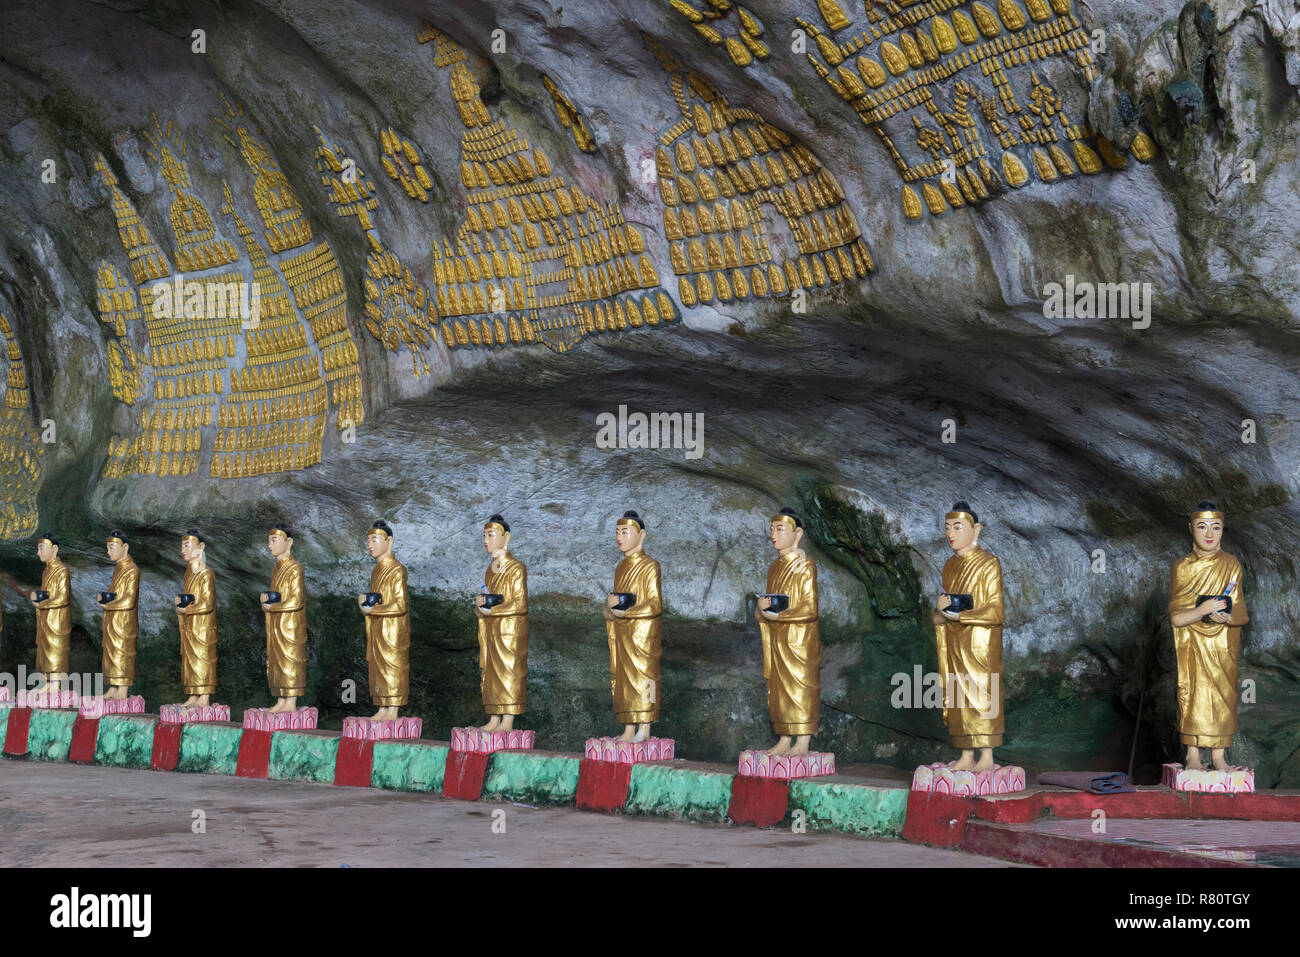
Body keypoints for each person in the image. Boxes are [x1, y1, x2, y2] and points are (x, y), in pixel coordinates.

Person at [1167, 500, 1249, 771]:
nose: (1209, 534)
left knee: (1224, 695)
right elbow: (1177, 617)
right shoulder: (1183, 567)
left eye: (1216, 527)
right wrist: (1202, 609)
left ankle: (1218, 756)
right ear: (1191, 529)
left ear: (1223, 530)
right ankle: (1192, 754)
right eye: (1202, 527)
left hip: (1223, 645)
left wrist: (1228, 617)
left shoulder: (1231, 564)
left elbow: (1241, 612)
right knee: (1192, 692)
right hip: (1192, 643)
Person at [756, 508, 820, 756]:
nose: (774, 534)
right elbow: (772, 602)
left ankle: (802, 741)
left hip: (800, 641)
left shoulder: (805, 566)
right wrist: (762, 610)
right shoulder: (773, 568)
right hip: (777, 639)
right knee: (778, 687)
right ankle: (784, 738)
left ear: (798, 534)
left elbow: (809, 608)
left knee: (801, 687)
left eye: (780, 528)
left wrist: (780, 615)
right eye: (772, 528)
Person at [603, 510, 662, 743]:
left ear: (642, 535)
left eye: (625, 531)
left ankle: (645, 728)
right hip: (622, 632)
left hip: (643, 635)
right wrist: (610, 608)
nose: (620, 536)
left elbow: (654, 605)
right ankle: (628, 727)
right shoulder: (620, 567)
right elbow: (617, 599)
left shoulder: (649, 566)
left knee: (645, 678)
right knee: (623, 677)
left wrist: (627, 611)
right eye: (618, 532)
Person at [474, 514, 528, 731]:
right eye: (484, 535)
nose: (486, 540)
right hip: (490, 630)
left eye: (491, 534)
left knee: (508, 671)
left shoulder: (516, 567)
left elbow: (520, 604)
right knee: (490, 671)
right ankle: (494, 718)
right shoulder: (490, 569)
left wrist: (493, 609)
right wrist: (480, 606)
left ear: (506, 538)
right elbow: (486, 598)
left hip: (509, 632)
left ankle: (507, 720)